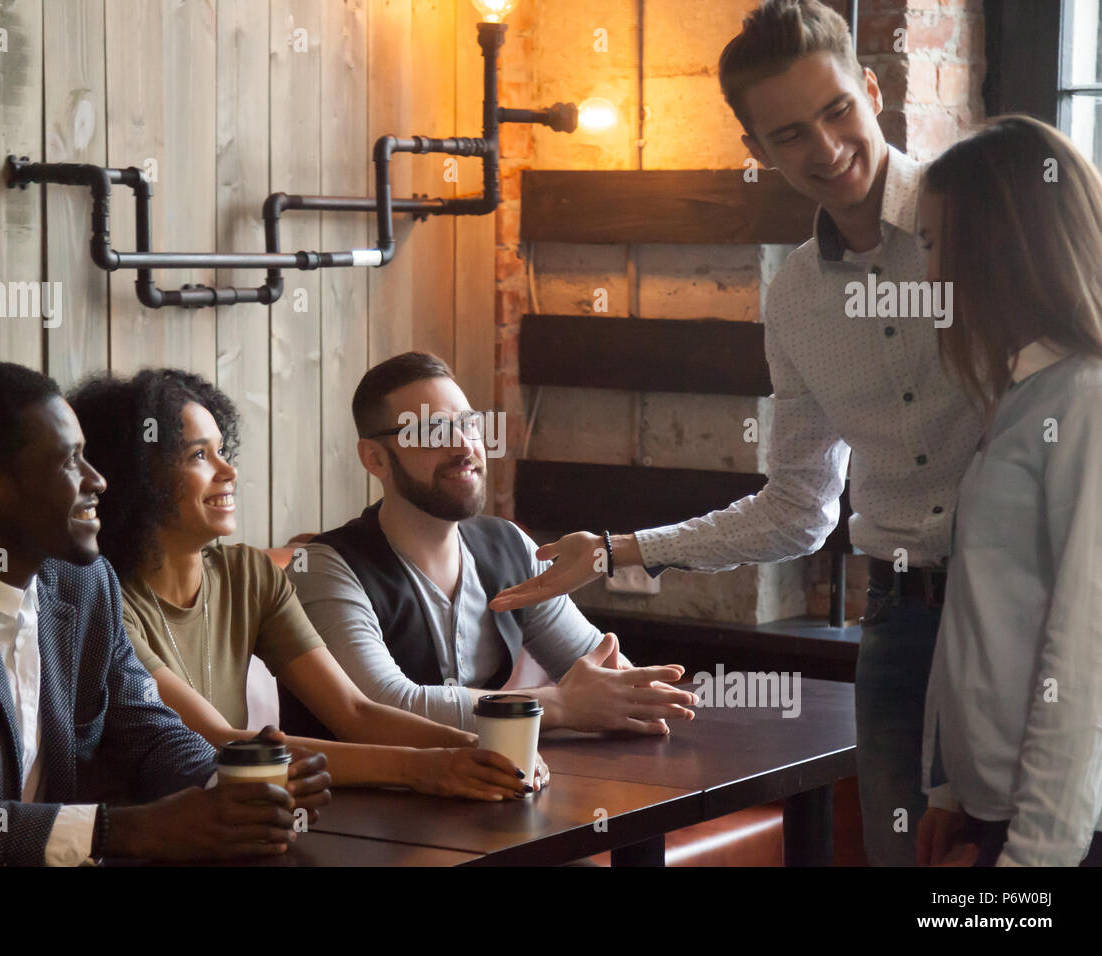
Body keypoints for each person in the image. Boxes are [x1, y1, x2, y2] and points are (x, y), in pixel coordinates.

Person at [488, 0, 984, 866]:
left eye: (837, 112)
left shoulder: (986, 227)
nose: (826, 149)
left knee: (1027, 877)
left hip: (1030, 605)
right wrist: (616, 548)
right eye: (791, 135)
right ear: (757, 153)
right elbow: (798, 510)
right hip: (902, 625)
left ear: (872, 90)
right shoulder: (794, 298)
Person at [0, 362, 328, 866]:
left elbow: (146, 731)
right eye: (69, 461)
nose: (97, 480)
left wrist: (236, 782)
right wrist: (123, 830)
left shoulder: (82, 583)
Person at [67, 368, 542, 801]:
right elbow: (222, 743)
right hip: (144, 836)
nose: (228, 471)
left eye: (222, 451)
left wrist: (485, 749)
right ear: (136, 475)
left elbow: (354, 712)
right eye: (198, 455)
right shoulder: (104, 600)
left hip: (240, 821)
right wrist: (425, 768)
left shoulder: (247, 575)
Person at [283, 351, 696, 738]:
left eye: (469, 424)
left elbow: (595, 667)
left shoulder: (509, 546)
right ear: (375, 459)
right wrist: (559, 705)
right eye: (432, 431)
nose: (464, 445)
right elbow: (385, 704)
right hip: (349, 807)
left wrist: (638, 696)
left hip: (477, 793)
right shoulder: (324, 569)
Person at [911, 116, 1102, 868]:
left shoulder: (1085, 399)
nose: (925, 277)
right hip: (993, 813)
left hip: (1055, 838)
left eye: (931, 245)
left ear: (994, 244)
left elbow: (1085, 643)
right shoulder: (1025, 393)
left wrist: (1028, 867)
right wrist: (950, 789)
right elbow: (984, 608)